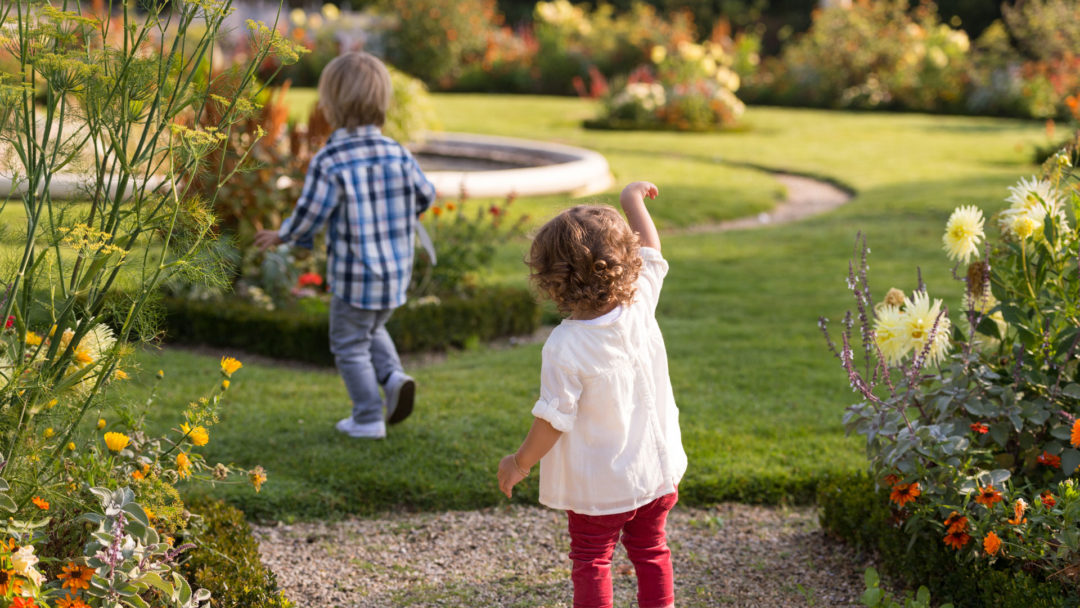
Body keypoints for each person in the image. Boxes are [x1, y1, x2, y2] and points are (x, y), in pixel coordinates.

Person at [497, 181, 687, 608]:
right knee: (652, 549)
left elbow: (552, 420)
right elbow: (654, 250)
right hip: (656, 472)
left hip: (598, 487)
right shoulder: (640, 303)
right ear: (626, 263)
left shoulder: (566, 347)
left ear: (550, 282)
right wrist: (630, 201)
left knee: (592, 560)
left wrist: (519, 463)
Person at [255, 52, 436, 440]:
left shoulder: (331, 159)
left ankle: (368, 416)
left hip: (355, 278)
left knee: (348, 343)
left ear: (330, 104)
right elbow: (425, 195)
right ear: (382, 102)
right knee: (370, 329)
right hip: (394, 274)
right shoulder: (397, 152)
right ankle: (392, 378)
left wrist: (285, 235)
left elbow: (311, 214)